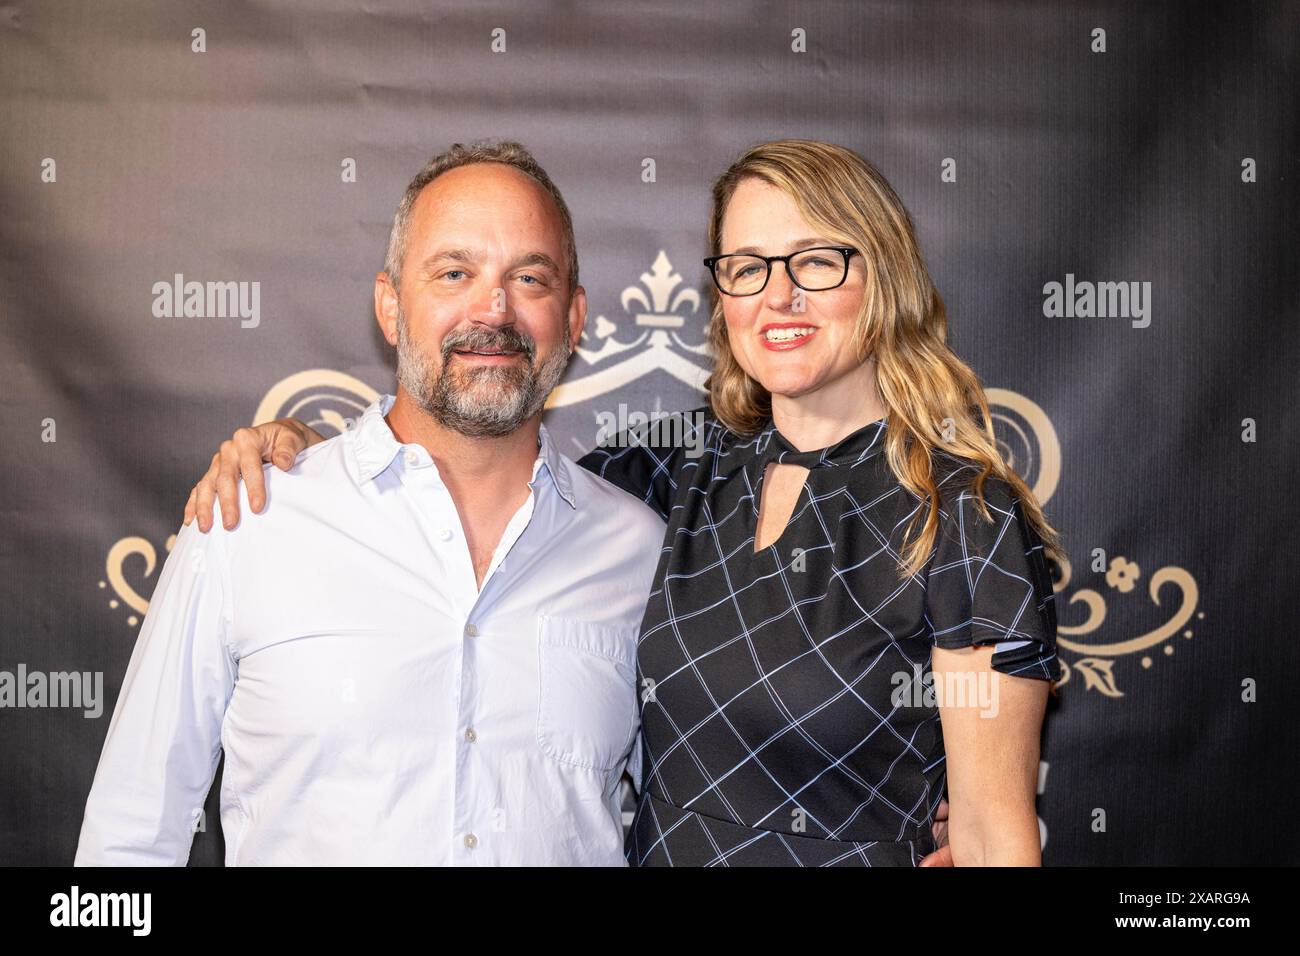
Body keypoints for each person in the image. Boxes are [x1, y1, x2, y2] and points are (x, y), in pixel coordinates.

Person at [188, 140, 1060, 866]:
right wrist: (300, 450)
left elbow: (989, 837)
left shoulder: (965, 519)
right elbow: (480, 465)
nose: (780, 295)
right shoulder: (670, 475)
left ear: (884, 275)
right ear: (721, 296)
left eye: (817, 259)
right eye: (748, 267)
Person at [75, 141, 669, 866]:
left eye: (530, 277)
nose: (494, 306)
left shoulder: (640, 551)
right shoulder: (251, 518)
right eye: (455, 272)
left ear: (573, 319)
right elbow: (132, 836)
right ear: (390, 307)